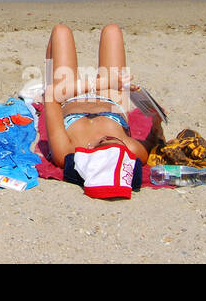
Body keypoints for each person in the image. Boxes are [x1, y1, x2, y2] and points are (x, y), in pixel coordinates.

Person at [42, 23, 165, 194]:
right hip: (111, 100)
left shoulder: (66, 153)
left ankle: (51, 76)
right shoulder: (133, 151)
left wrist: (102, 83)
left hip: (68, 98)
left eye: (103, 144)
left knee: (60, 32)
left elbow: (51, 96)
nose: (109, 139)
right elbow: (153, 140)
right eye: (118, 145)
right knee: (112, 30)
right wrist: (157, 122)